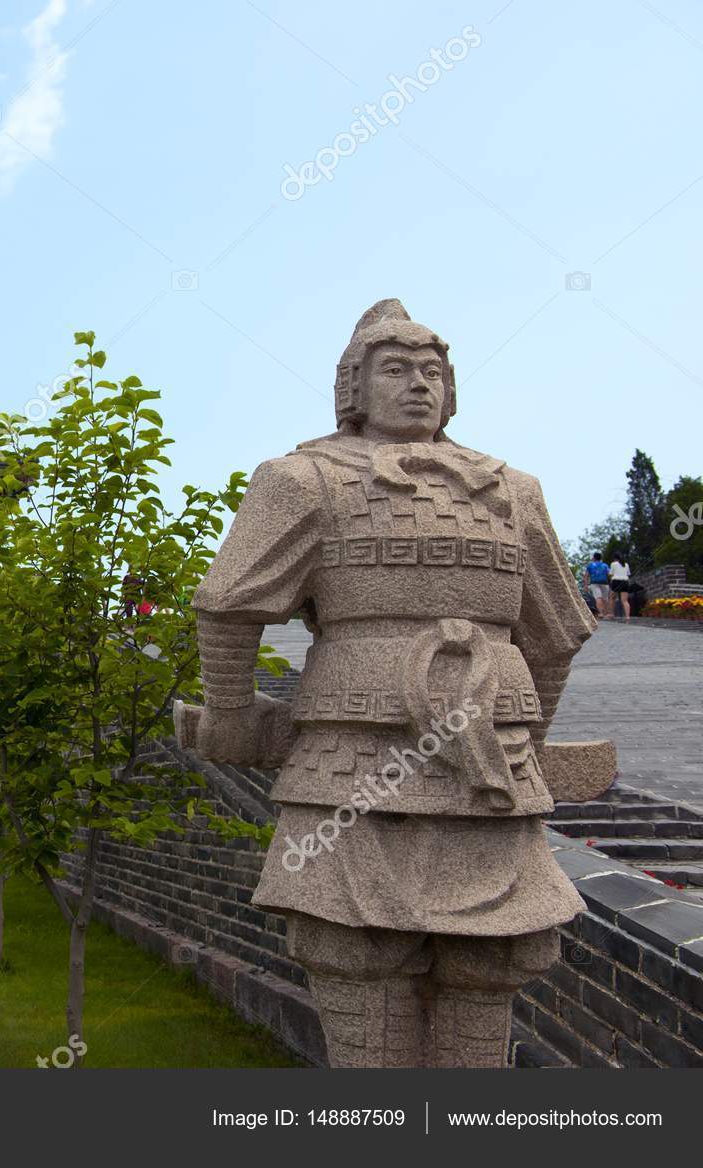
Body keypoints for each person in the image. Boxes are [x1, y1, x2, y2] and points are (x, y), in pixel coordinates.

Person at [192, 300, 598, 1067]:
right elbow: (229, 604)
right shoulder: (303, 480)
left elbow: (557, 634)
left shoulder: (514, 491)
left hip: (493, 780)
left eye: (434, 370)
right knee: (358, 961)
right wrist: (233, 714)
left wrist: (528, 741)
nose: (420, 384)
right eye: (397, 369)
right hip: (348, 773)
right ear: (354, 385)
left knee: (491, 964)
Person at [584, 552, 611, 618]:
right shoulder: (605, 565)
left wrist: (586, 585)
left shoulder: (590, 565)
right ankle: (606, 613)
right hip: (604, 582)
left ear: (594, 558)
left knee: (598, 598)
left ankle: (600, 613)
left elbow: (586, 575)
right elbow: (609, 574)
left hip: (594, 582)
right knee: (605, 598)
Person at [608, 554, 631, 621]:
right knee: (625, 600)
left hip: (616, 582)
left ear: (615, 558)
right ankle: (627, 616)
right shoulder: (626, 564)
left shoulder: (613, 564)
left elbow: (610, 574)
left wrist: (610, 579)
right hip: (625, 582)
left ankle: (611, 614)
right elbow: (628, 574)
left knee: (612, 598)